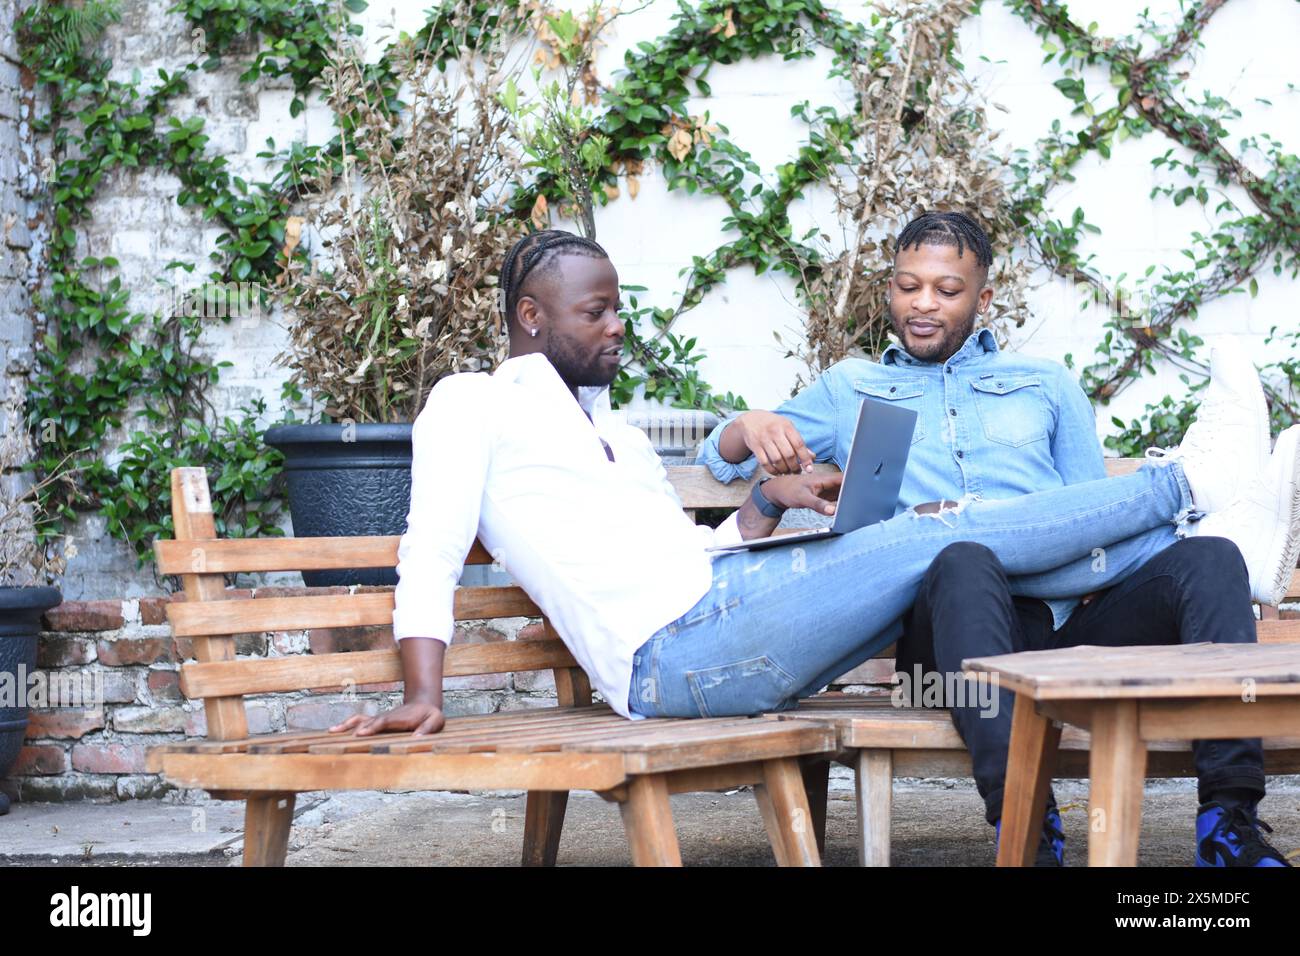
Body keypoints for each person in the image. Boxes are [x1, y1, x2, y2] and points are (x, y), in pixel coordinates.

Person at [328, 229, 1299, 838]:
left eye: (619, 305)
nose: (618, 325)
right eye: (597, 310)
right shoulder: (470, 402)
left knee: (932, 531)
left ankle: (1211, 529)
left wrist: (769, 507)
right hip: (674, 658)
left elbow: (693, 551)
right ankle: (1192, 484)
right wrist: (421, 689)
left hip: (721, 606)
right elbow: (430, 541)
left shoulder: (612, 431)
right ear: (530, 318)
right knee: (938, 533)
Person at [699, 211, 1296, 866]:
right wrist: (750, 424)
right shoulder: (852, 388)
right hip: (948, 652)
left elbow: (1092, 520)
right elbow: (723, 458)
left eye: (946, 290)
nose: (922, 304)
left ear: (982, 299)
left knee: (1212, 559)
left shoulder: (1046, 384)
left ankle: (1230, 825)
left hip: (1068, 637)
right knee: (960, 554)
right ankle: (1027, 833)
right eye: (907, 286)